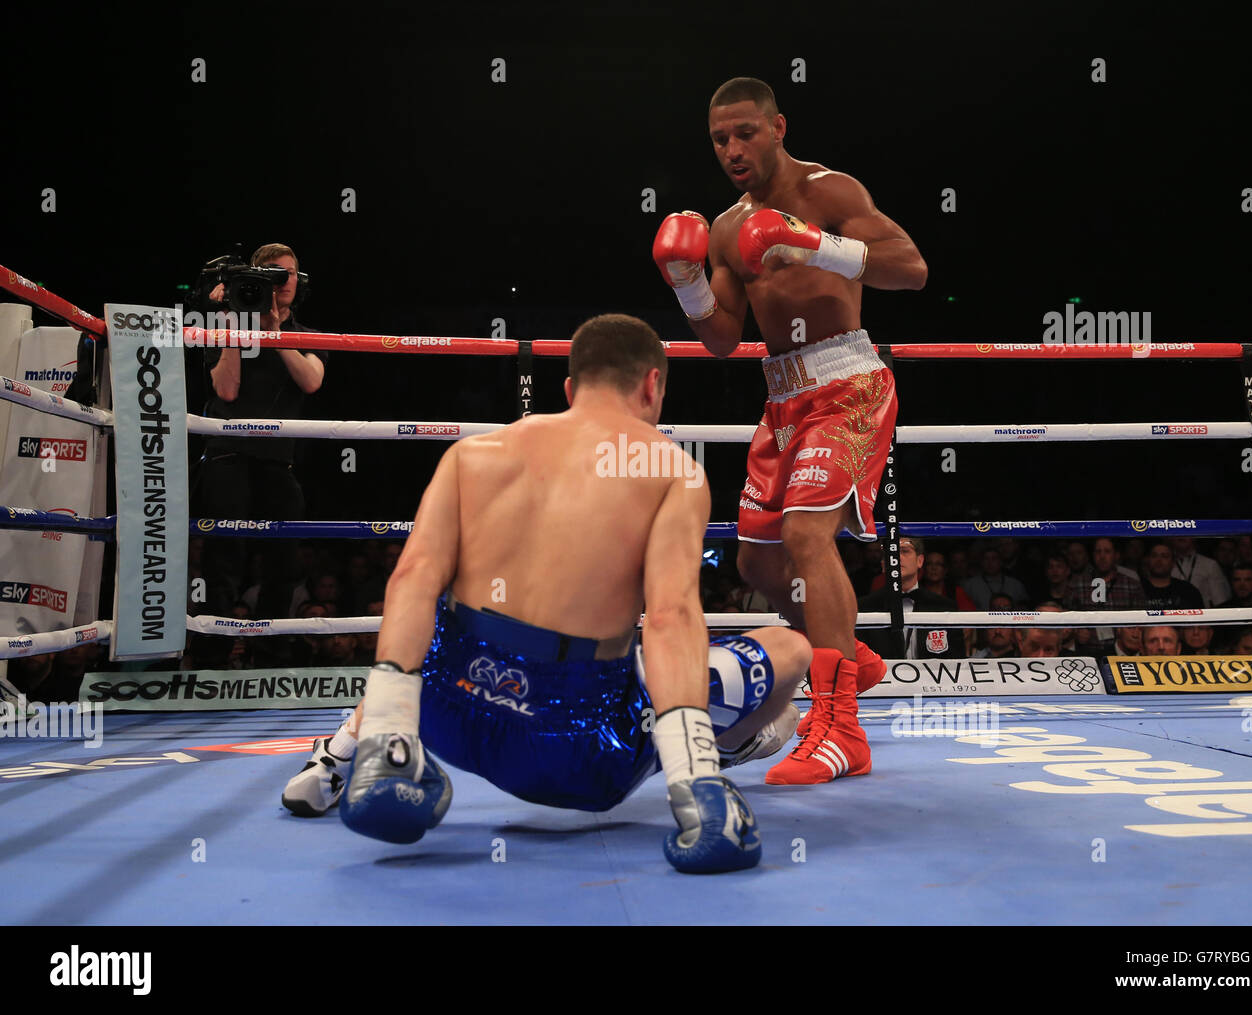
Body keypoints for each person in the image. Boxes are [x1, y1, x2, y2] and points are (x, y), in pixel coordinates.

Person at [285, 315, 812, 874]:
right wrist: (694, 777)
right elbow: (669, 617)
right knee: (789, 651)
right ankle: (716, 751)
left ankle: (351, 754)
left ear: (568, 388)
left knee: (438, 615)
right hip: (577, 755)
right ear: (652, 385)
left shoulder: (473, 454)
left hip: (447, 717)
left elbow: (410, 578)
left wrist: (392, 726)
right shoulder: (670, 471)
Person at [651, 76, 927, 785]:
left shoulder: (831, 192)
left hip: (848, 382)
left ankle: (841, 729)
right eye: (719, 139)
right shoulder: (725, 228)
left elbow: (912, 269)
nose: (732, 149)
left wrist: (815, 245)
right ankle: (850, 658)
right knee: (758, 562)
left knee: (807, 536)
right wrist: (686, 281)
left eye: (745, 133)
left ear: (778, 127)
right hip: (782, 398)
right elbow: (721, 339)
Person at [195, 243, 326, 666]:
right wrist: (233, 321)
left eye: (288, 274)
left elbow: (311, 381)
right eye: (272, 275)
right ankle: (212, 661)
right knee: (223, 560)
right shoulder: (226, 326)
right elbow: (226, 390)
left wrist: (274, 331)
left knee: (283, 561)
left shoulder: (306, 333)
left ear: (299, 280)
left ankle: (271, 659)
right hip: (227, 454)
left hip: (277, 459)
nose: (282, 282)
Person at [857, 536, 963, 666]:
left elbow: (957, 664)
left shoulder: (943, 606)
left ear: (920, 560)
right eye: (892, 552)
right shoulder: (865, 607)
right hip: (882, 678)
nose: (897, 557)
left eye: (905, 551)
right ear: (883, 564)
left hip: (933, 678)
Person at [1140, 539, 1205, 611]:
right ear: (1148, 560)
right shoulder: (1137, 588)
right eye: (1154, 556)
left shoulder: (1188, 591)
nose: (1158, 560)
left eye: (1164, 556)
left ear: (1173, 563)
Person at [1171, 536, 1231, 607]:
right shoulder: (1164, 565)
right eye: (1178, 532)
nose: (1182, 535)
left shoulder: (1210, 564)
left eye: (1186, 531)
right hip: (1171, 612)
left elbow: (1220, 600)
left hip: (1202, 612)